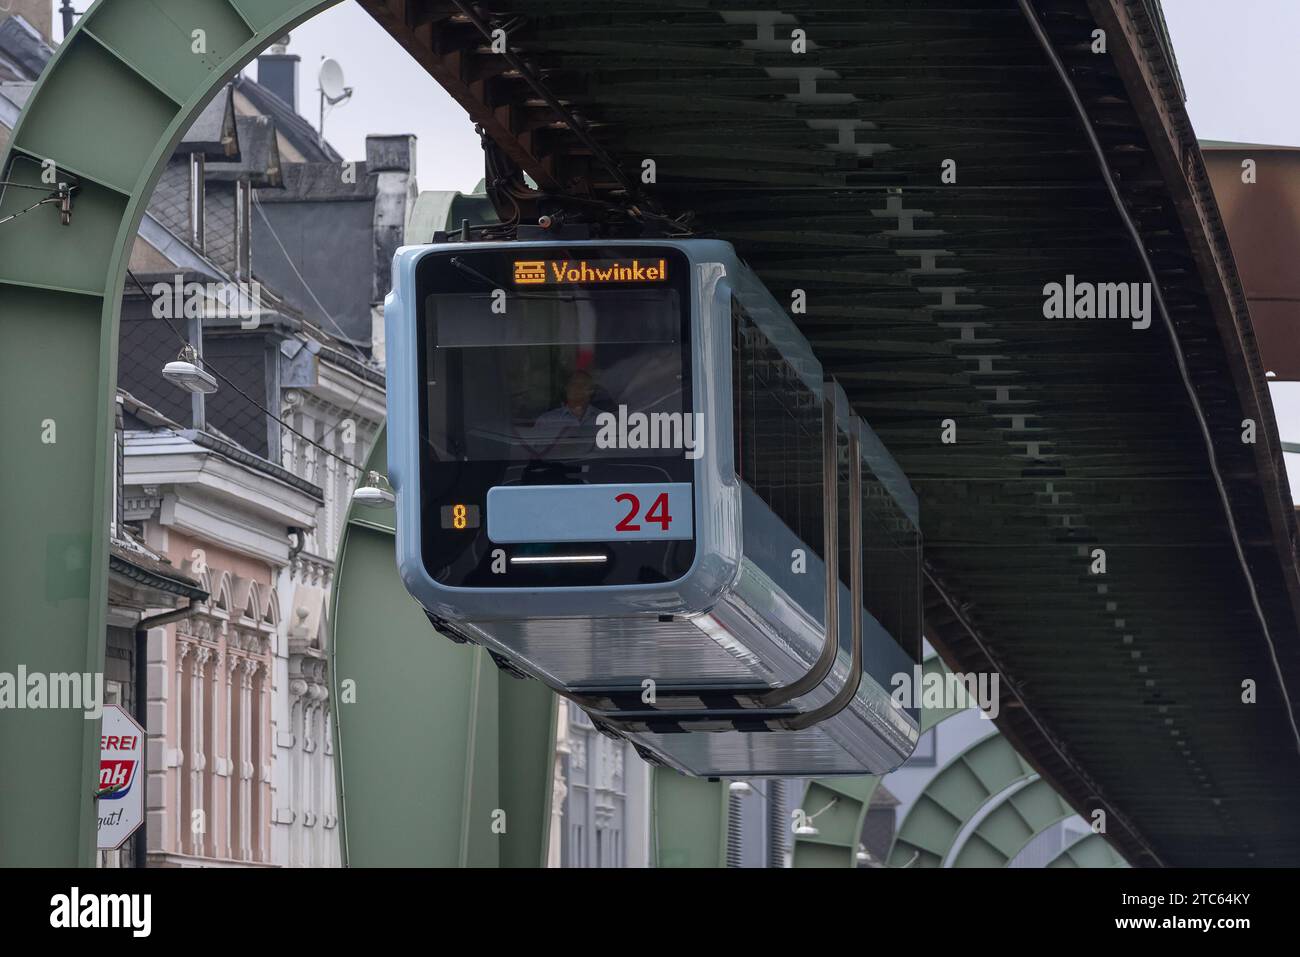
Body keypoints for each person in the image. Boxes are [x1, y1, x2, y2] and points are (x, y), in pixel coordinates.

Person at [528, 369, 601, 459]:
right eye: (573, 384)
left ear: (592, 390)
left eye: (584, 385)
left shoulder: (605, 419)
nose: (578, 388)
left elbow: (610, 454)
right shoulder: (546, 420)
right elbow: (535, 456)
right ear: (566, 388)